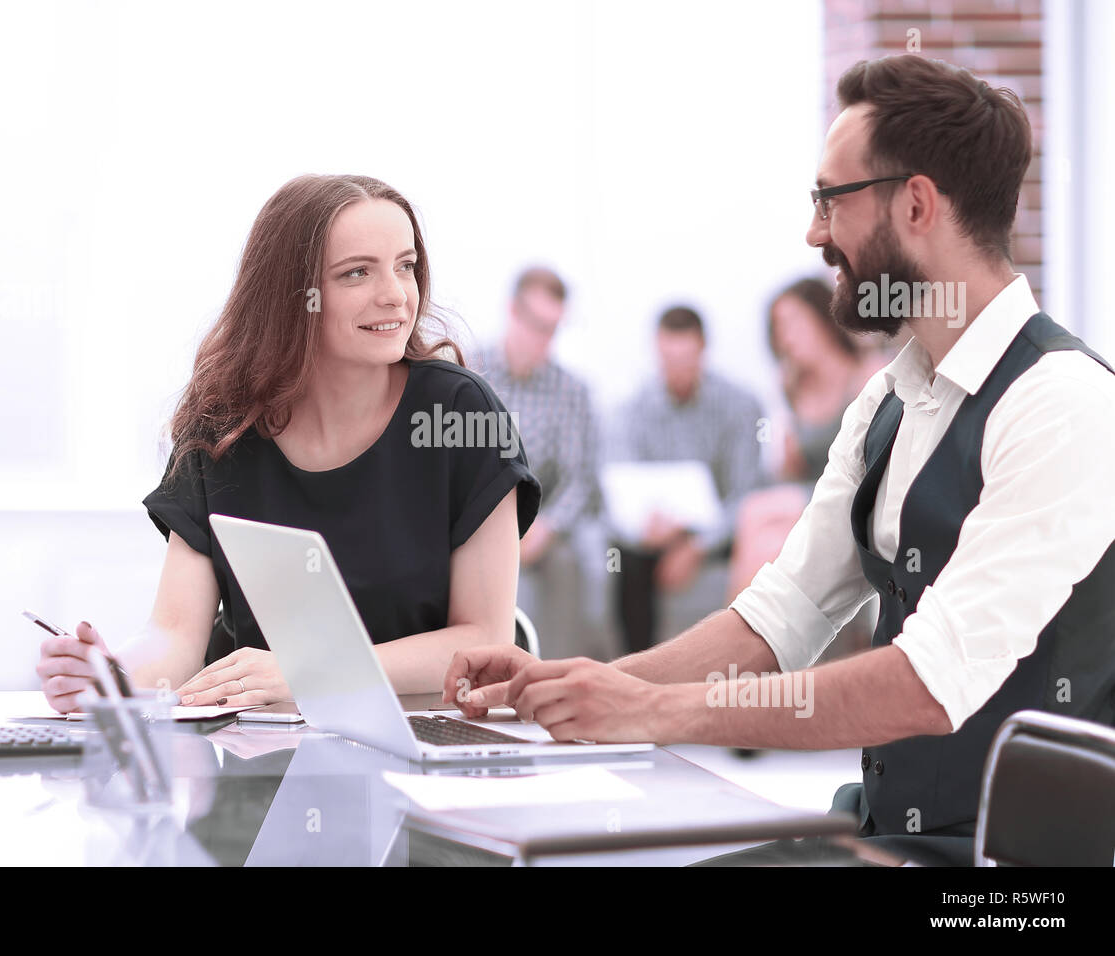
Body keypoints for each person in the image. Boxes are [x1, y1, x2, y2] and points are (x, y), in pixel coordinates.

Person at [443, 54, 1115, 867]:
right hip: (885, 830)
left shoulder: (1067, 406)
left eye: (831, 199)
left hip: (1010, 872)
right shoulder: (888, 403)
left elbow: (926, 684)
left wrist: (652, 714)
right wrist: (573, 689)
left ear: (915, 203)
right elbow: (780, 617)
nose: (814, 233)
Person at [37, 173, 540, 714]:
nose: (396, 295)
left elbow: (485, 642)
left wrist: (309, 672)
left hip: (419, 741)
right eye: (356, 273)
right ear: (295, 296)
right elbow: (176, 637)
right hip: (257, 751)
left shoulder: (460, 414)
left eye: (406, 265)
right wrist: (111, 677)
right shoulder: (225, 425)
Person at [725, 278, 880, 656]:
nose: (786, 337)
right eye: (778, 328)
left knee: (754, 511)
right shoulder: (791, 385)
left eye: (794, 322)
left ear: (822, 318)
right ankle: (747, 657)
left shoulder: (866, 372)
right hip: (809, 495)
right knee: (762, 539)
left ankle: (730, 655)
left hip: (853, 492)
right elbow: (788, 473)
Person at [608, 306, 764, 654]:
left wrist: (697, 545)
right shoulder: (635, 408)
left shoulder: (740, 405)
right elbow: (625, 487)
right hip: (658, 533)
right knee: (624, 557)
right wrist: (648, 527)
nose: (676, 370)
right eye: (668, 359)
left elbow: (745, 495)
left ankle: (733, 667)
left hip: (722, 531)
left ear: (703, 352)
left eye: (685, 359)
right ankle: (635, 669)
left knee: (752, 535)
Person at [474, 267, 604, 660]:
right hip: (474, 516)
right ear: (513, 311)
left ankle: (554, 675)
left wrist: (544, 528)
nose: (544, 340)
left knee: (566, 561)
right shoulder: (466, 371)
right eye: (537, 325)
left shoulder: (571, 391)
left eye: (553, 329)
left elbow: (578, 481)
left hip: (538, 524)